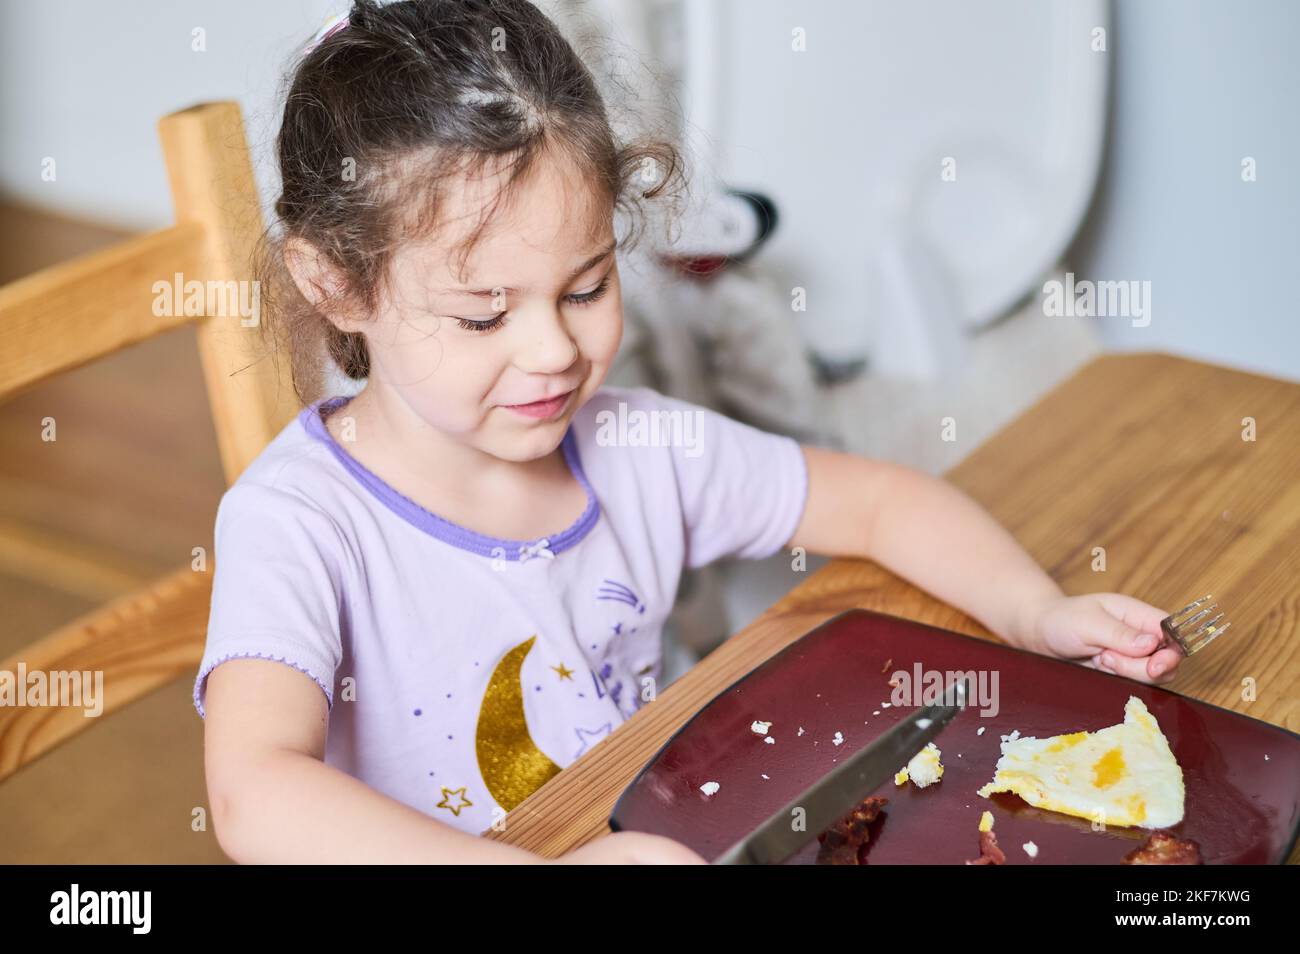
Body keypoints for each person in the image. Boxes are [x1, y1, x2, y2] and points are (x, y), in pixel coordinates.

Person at [195, 0, 1181, 865]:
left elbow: (880, 502)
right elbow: (254, 794)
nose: (552, 352)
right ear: (334, 283)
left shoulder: (639, 449)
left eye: (585, 287)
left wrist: (1034, 614)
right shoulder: (298, 521)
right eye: (484, 315)